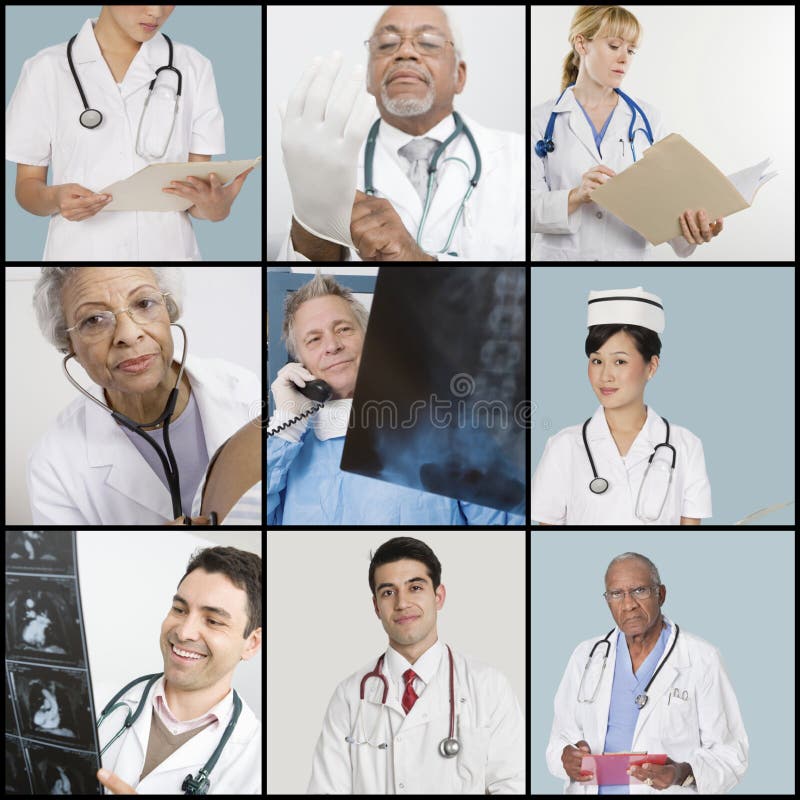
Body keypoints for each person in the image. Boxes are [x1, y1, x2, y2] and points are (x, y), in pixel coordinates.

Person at [267, 272, 524, 524]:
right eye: (314, 339)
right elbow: (247, 518)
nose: (332, 345)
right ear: (299, 363)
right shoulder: (287, 447)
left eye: (344, 329)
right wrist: (287, 424)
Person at [277, 4, 525, 262]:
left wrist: (421, 261)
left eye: (428, 43)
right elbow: (303, 279)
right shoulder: (329, 162)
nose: (405, 52)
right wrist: (313, 220)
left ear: (459, 76)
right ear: (369, 78)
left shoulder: (519, 158)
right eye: (386, 44)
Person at [5, 6, 253, 261]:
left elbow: (194, 195)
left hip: (168, 255)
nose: (157, 12)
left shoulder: (193, 66)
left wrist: (215, 208)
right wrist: (55, 198)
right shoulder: (45, 68)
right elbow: (27, 188)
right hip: (80, 255)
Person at [28, 267, 261, 525]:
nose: (128, 335)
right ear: (69, 343)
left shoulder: (247, 391)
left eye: (144, 303)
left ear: (168, 309)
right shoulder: (53, 462)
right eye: (94, 320)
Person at [308, 536, 525, 793]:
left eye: (415, 588)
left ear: (439, 596)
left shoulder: (489, 686)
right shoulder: (350, 696)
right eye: (388, 592)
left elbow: (512, 785)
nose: (402, 603)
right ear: (376, 607)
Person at [532, 5, 724, 260]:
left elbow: (665, 204)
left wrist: (693, 229)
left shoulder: (649, 120)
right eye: (614, 46)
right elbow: (522, 210)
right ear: (581, 43)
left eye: (631, 50)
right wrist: (575, 196)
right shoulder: (540, 120)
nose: (624, 58)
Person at [547, 552, 748, 794]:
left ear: (660, 594)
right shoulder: (586, 656)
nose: (629, 604)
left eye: (639, 590)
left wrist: (680, 773)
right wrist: (566, 756)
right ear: (607, 601)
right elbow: (559, 741)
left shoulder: (702, 659)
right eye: (616, 594)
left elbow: (731, 755)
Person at [532, 286, 711, 525]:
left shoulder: (686, 445)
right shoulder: (563, 446)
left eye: (620, 361)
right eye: (596, 361)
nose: (605, 375)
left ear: (652, 366)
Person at [96, 546, 262, 794]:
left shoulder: (258, 759)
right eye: (180, 609)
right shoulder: (95, 703)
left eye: (213, 621)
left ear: (251, 644)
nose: (184, 632)